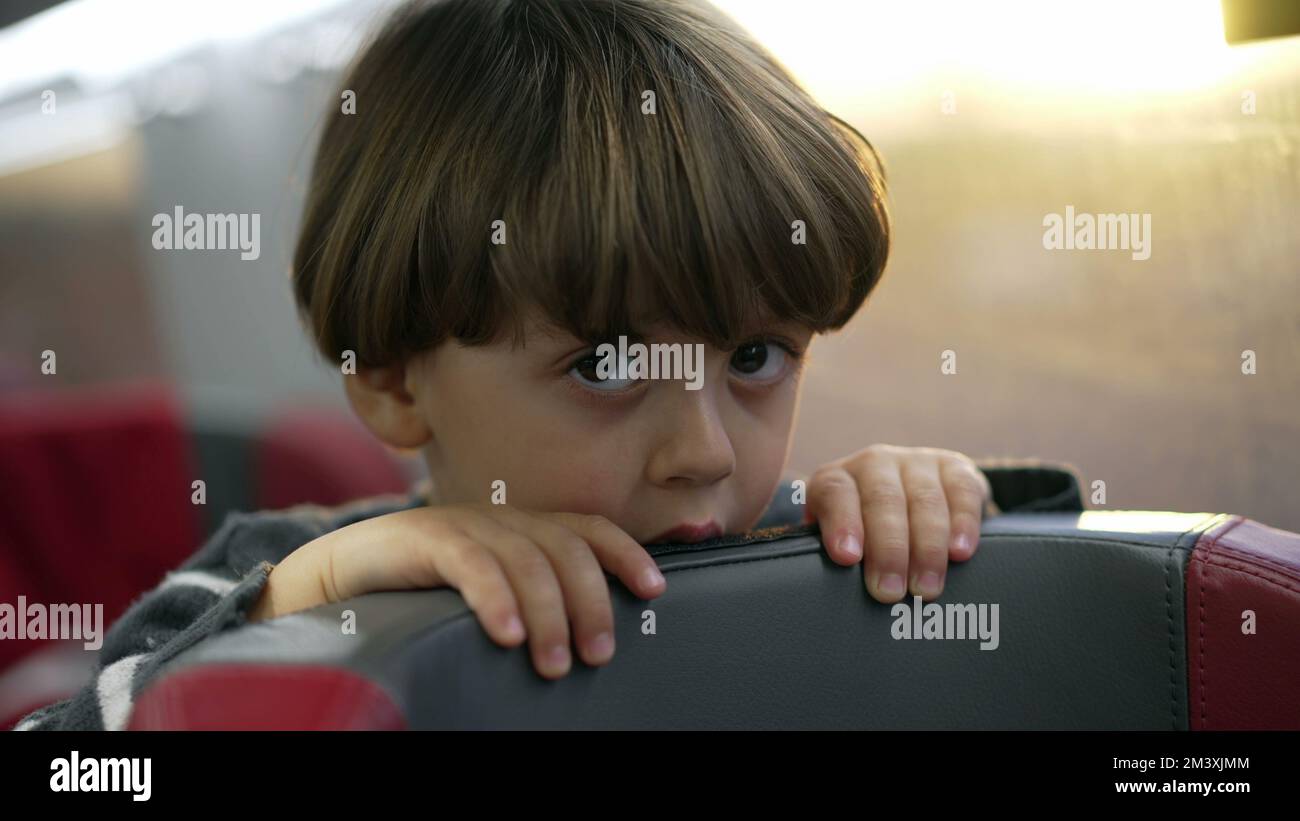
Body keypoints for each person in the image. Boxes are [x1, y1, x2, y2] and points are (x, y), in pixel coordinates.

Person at [16, 0, 1082, 730]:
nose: (703, 451)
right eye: (608, 364)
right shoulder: (284, 565)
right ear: (392, 382)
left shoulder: (791, 540)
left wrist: (938, 503)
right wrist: (304, 603)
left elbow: (1064, 588)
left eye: (755, 356)